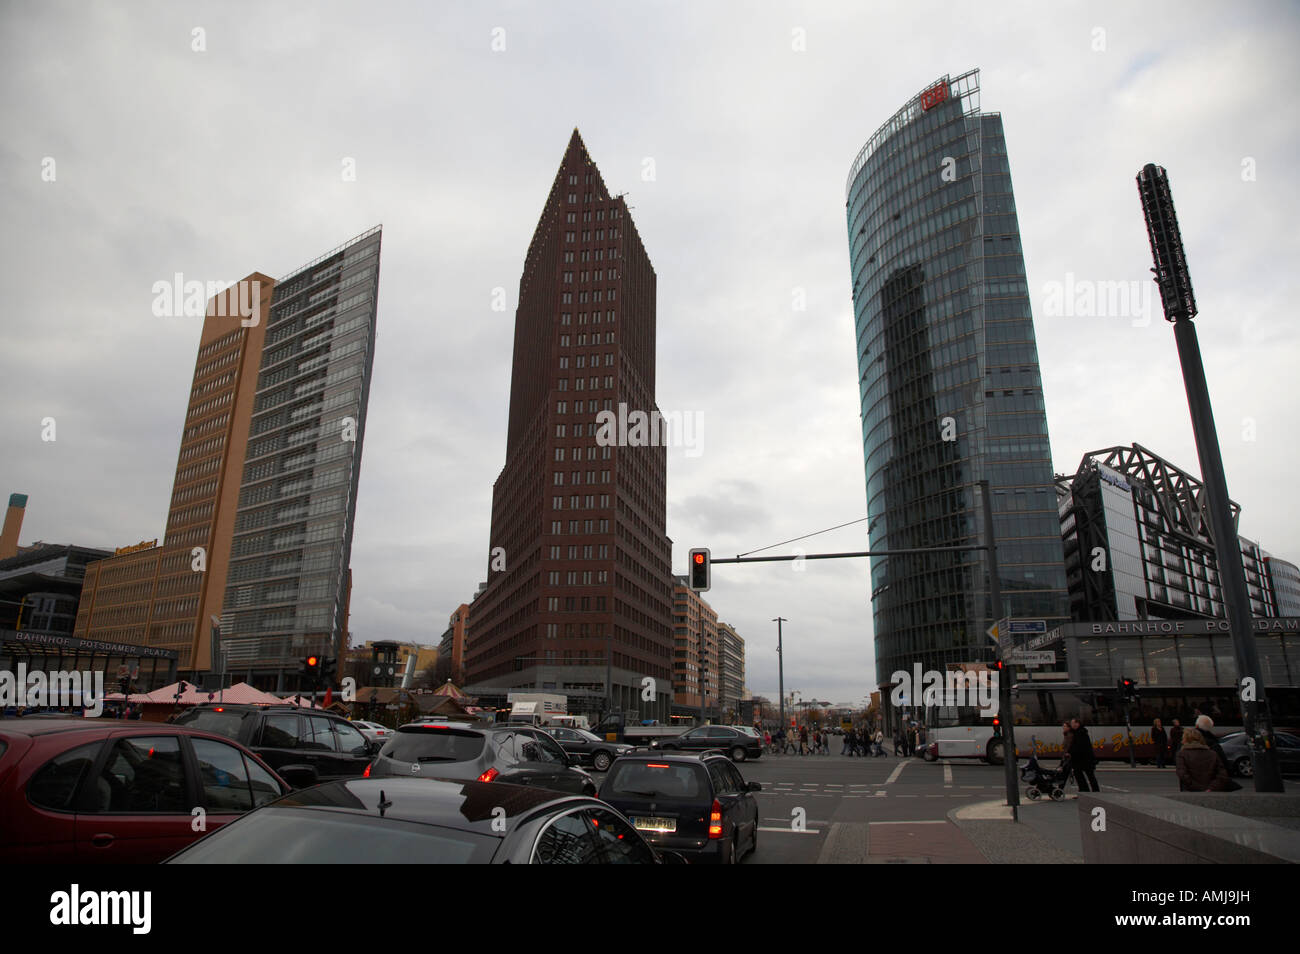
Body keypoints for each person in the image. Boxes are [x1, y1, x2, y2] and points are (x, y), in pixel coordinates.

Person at [1068, 717, 1100, 792]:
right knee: (1084, 775)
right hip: (1081, 759)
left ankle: (1090, 790)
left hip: (1084, 759)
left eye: (1073, 723)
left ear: (1077, 723)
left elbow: (1079, 746)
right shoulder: (1078, 732)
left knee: (1088, 775)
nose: (1071, 725)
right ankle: (1087, 790)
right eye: (1071, 723)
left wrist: (1071, 752)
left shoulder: (1081, 733)